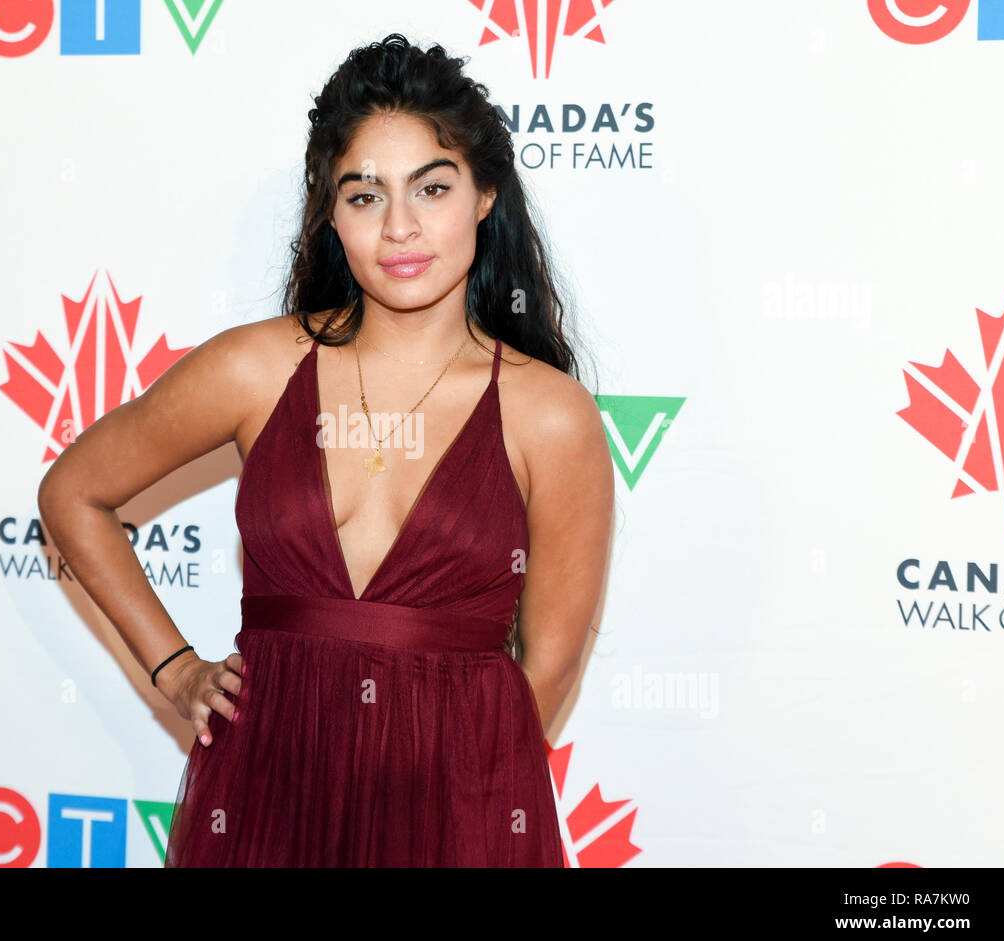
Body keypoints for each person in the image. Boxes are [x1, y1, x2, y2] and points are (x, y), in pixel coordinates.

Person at [37, 33, 614, 866]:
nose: (402, 227)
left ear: (485, 194)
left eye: (433, 187)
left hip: (459, 814)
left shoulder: (548, 415)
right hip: (266, 796)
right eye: (365, 195)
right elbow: (74, 492)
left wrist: (453, 808)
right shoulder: (253, 369)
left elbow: (546, 673)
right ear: (330, 210)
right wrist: (176, 672)